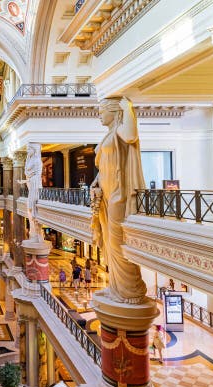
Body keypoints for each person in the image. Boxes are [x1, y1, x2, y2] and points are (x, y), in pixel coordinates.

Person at [89, 96, 148, 304]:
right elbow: (104, 165)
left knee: (118, 241)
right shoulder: (109, 135)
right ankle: (115, 286)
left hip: (117, 194)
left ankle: (130, 290)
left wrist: (128, 108)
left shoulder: (121, 130)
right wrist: (96, 181)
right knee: (110, 242)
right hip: (105, 192)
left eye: (101, 111)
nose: (99, 116)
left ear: (113, 112)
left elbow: (131, 135)